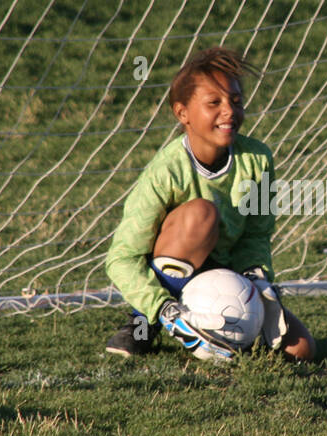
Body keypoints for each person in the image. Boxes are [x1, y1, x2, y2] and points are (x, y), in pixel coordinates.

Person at [104, 47, 316, 362]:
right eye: (214, 103)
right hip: (175, 275)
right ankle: (145, 321)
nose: (229, 111)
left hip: (228, 277)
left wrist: (258, 281)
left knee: (302, 351)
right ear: (182, 113)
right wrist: (162, 307)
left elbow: (256, 234)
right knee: (202, 215)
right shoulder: (167, 171)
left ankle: (231, 334)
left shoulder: (257, 160)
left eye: (235, 101)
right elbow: (121, 259)